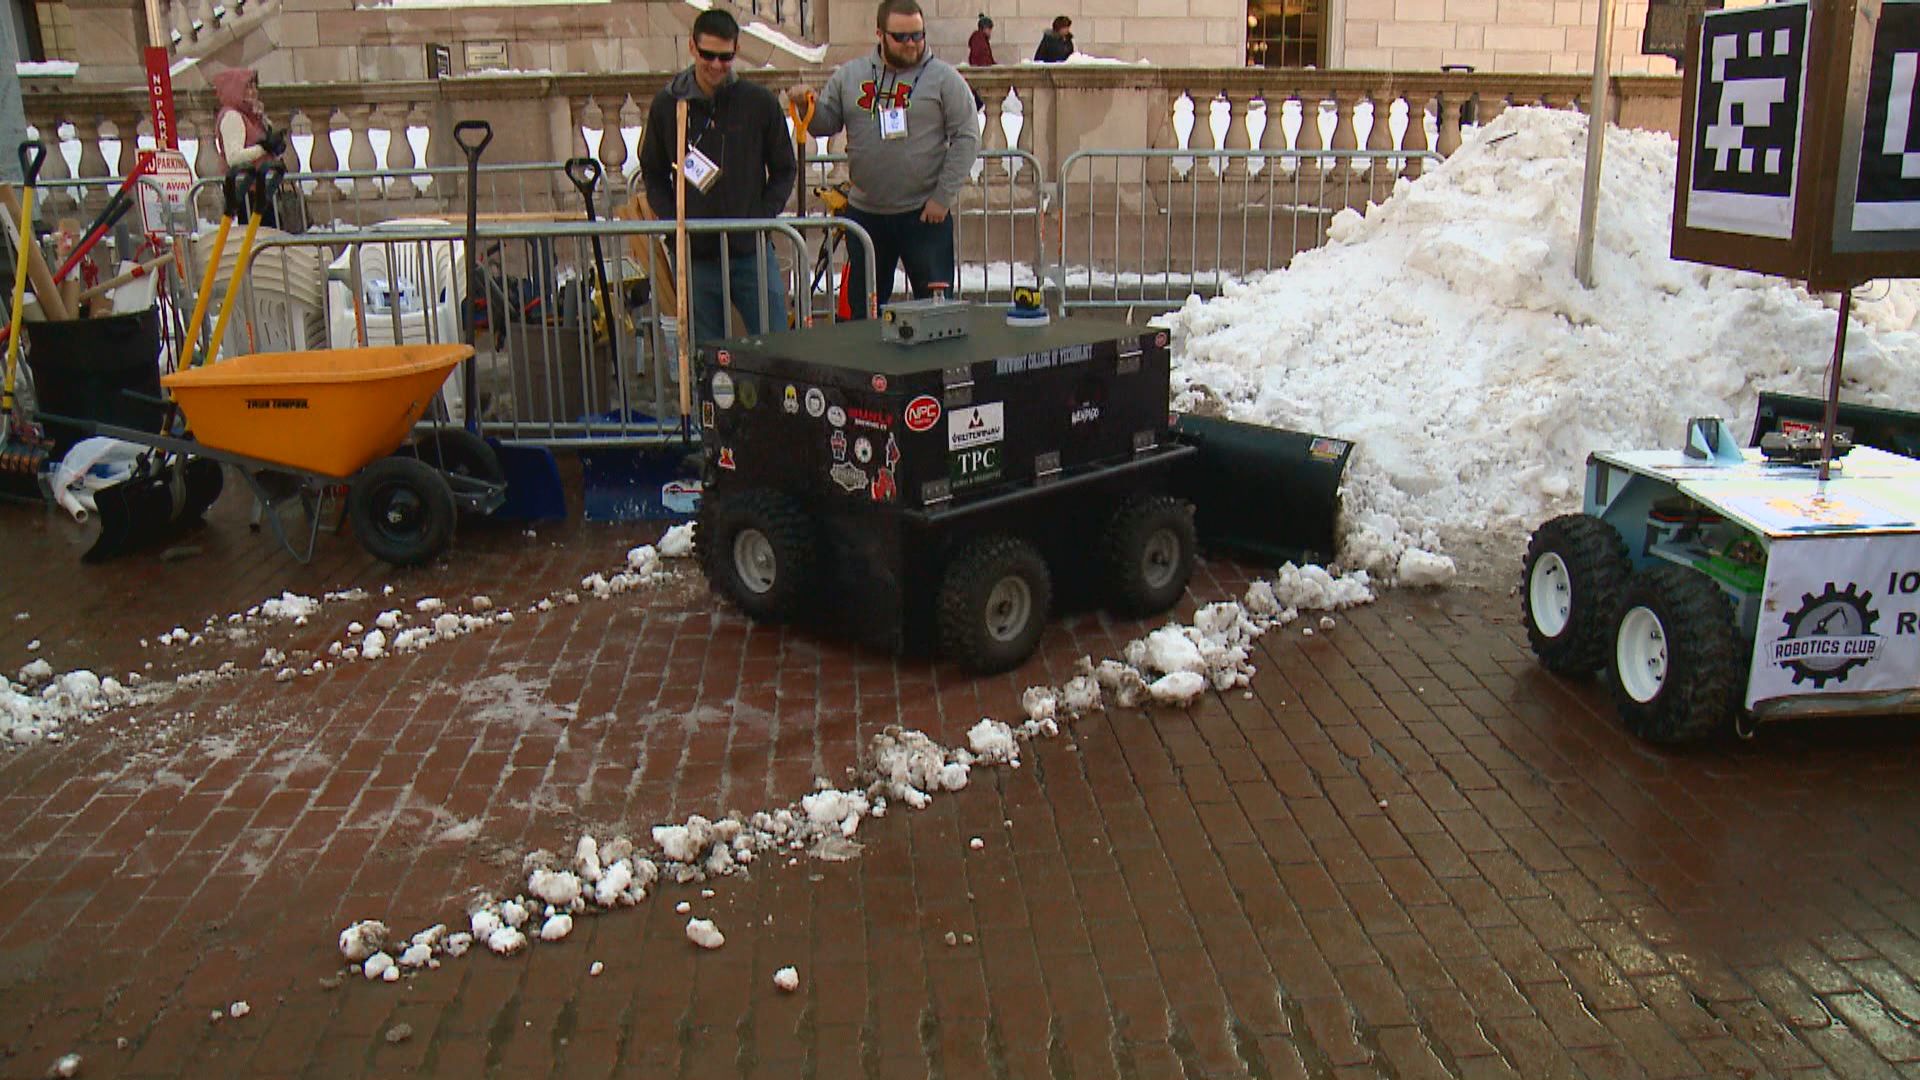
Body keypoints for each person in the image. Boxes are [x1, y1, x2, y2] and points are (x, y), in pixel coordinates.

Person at [791, 0, 979, 319]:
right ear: (880, 34)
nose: (912, 44)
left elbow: (967, 137)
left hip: (924, 215)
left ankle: (934, 370)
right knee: (865, 314)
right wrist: (807, 105)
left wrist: (942, 197)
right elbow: (828, 123)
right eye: (901, 37)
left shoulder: (944, 79)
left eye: (918, 36)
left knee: (935, 313)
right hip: (867, 215)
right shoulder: (850, 76)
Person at [640, 9, 796, 346]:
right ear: (692, 48)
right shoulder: (668, 105)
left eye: (725, 57)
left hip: (750, 250)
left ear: (736, 52)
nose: (716, 65)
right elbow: (652, 172)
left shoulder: (759, 103)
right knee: (707, 353)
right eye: (708, 55)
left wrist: (762, 216)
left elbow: (784, 168)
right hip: (697, 255)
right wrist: (674, 221)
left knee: (777, 345)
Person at [211, 67, 290, 225]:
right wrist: (264, 148)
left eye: (254, 86)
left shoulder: (251, 115)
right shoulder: (232, 117)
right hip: (248, 192)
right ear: (235, 89)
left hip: (261, 188)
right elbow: (234, 157)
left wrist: (274, 145)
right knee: (259, 241)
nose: (253, 91)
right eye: (247, 87)